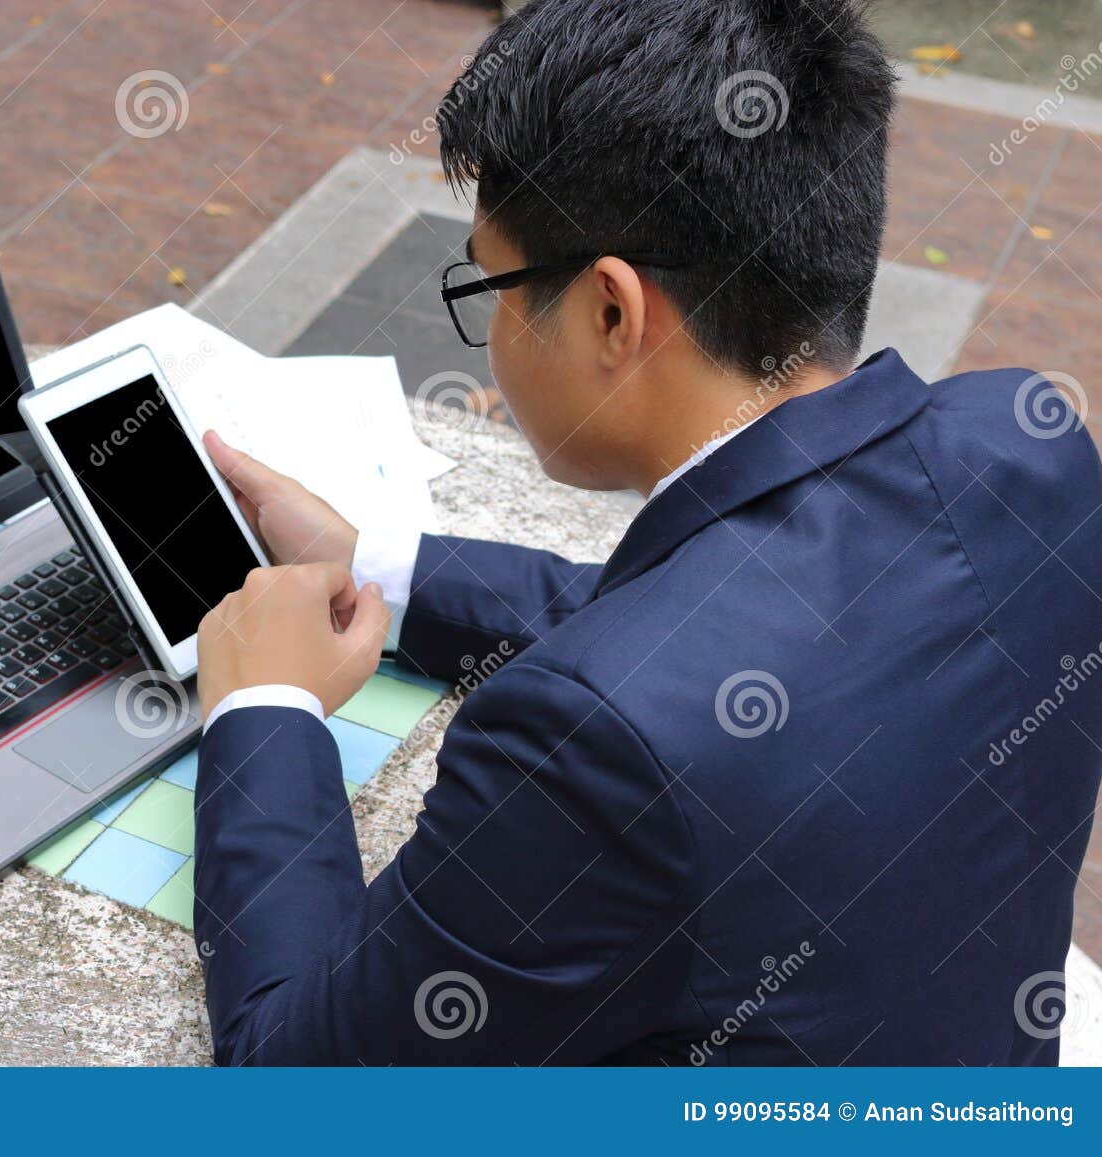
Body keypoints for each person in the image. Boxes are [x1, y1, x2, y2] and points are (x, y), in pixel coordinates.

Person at [189, 0, 1102, 1065]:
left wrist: (264, 701)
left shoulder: (587, 751)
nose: (489, 329)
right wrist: (374, 560)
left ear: (612, 313)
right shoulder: (1028, 453)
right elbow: (716, 632)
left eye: (490, 283)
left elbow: (293, 1081)